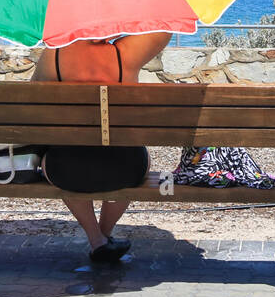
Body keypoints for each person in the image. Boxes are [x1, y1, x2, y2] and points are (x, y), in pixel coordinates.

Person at [32, 32, 172, 262]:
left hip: (65, 169)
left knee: (62, 156)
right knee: (132, 157)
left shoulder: (53, 55)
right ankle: (104, 235)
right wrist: (118, 32)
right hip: (127, 168)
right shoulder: (126, 54)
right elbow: (164, 30)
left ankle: (97, 239)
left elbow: (34, 100)